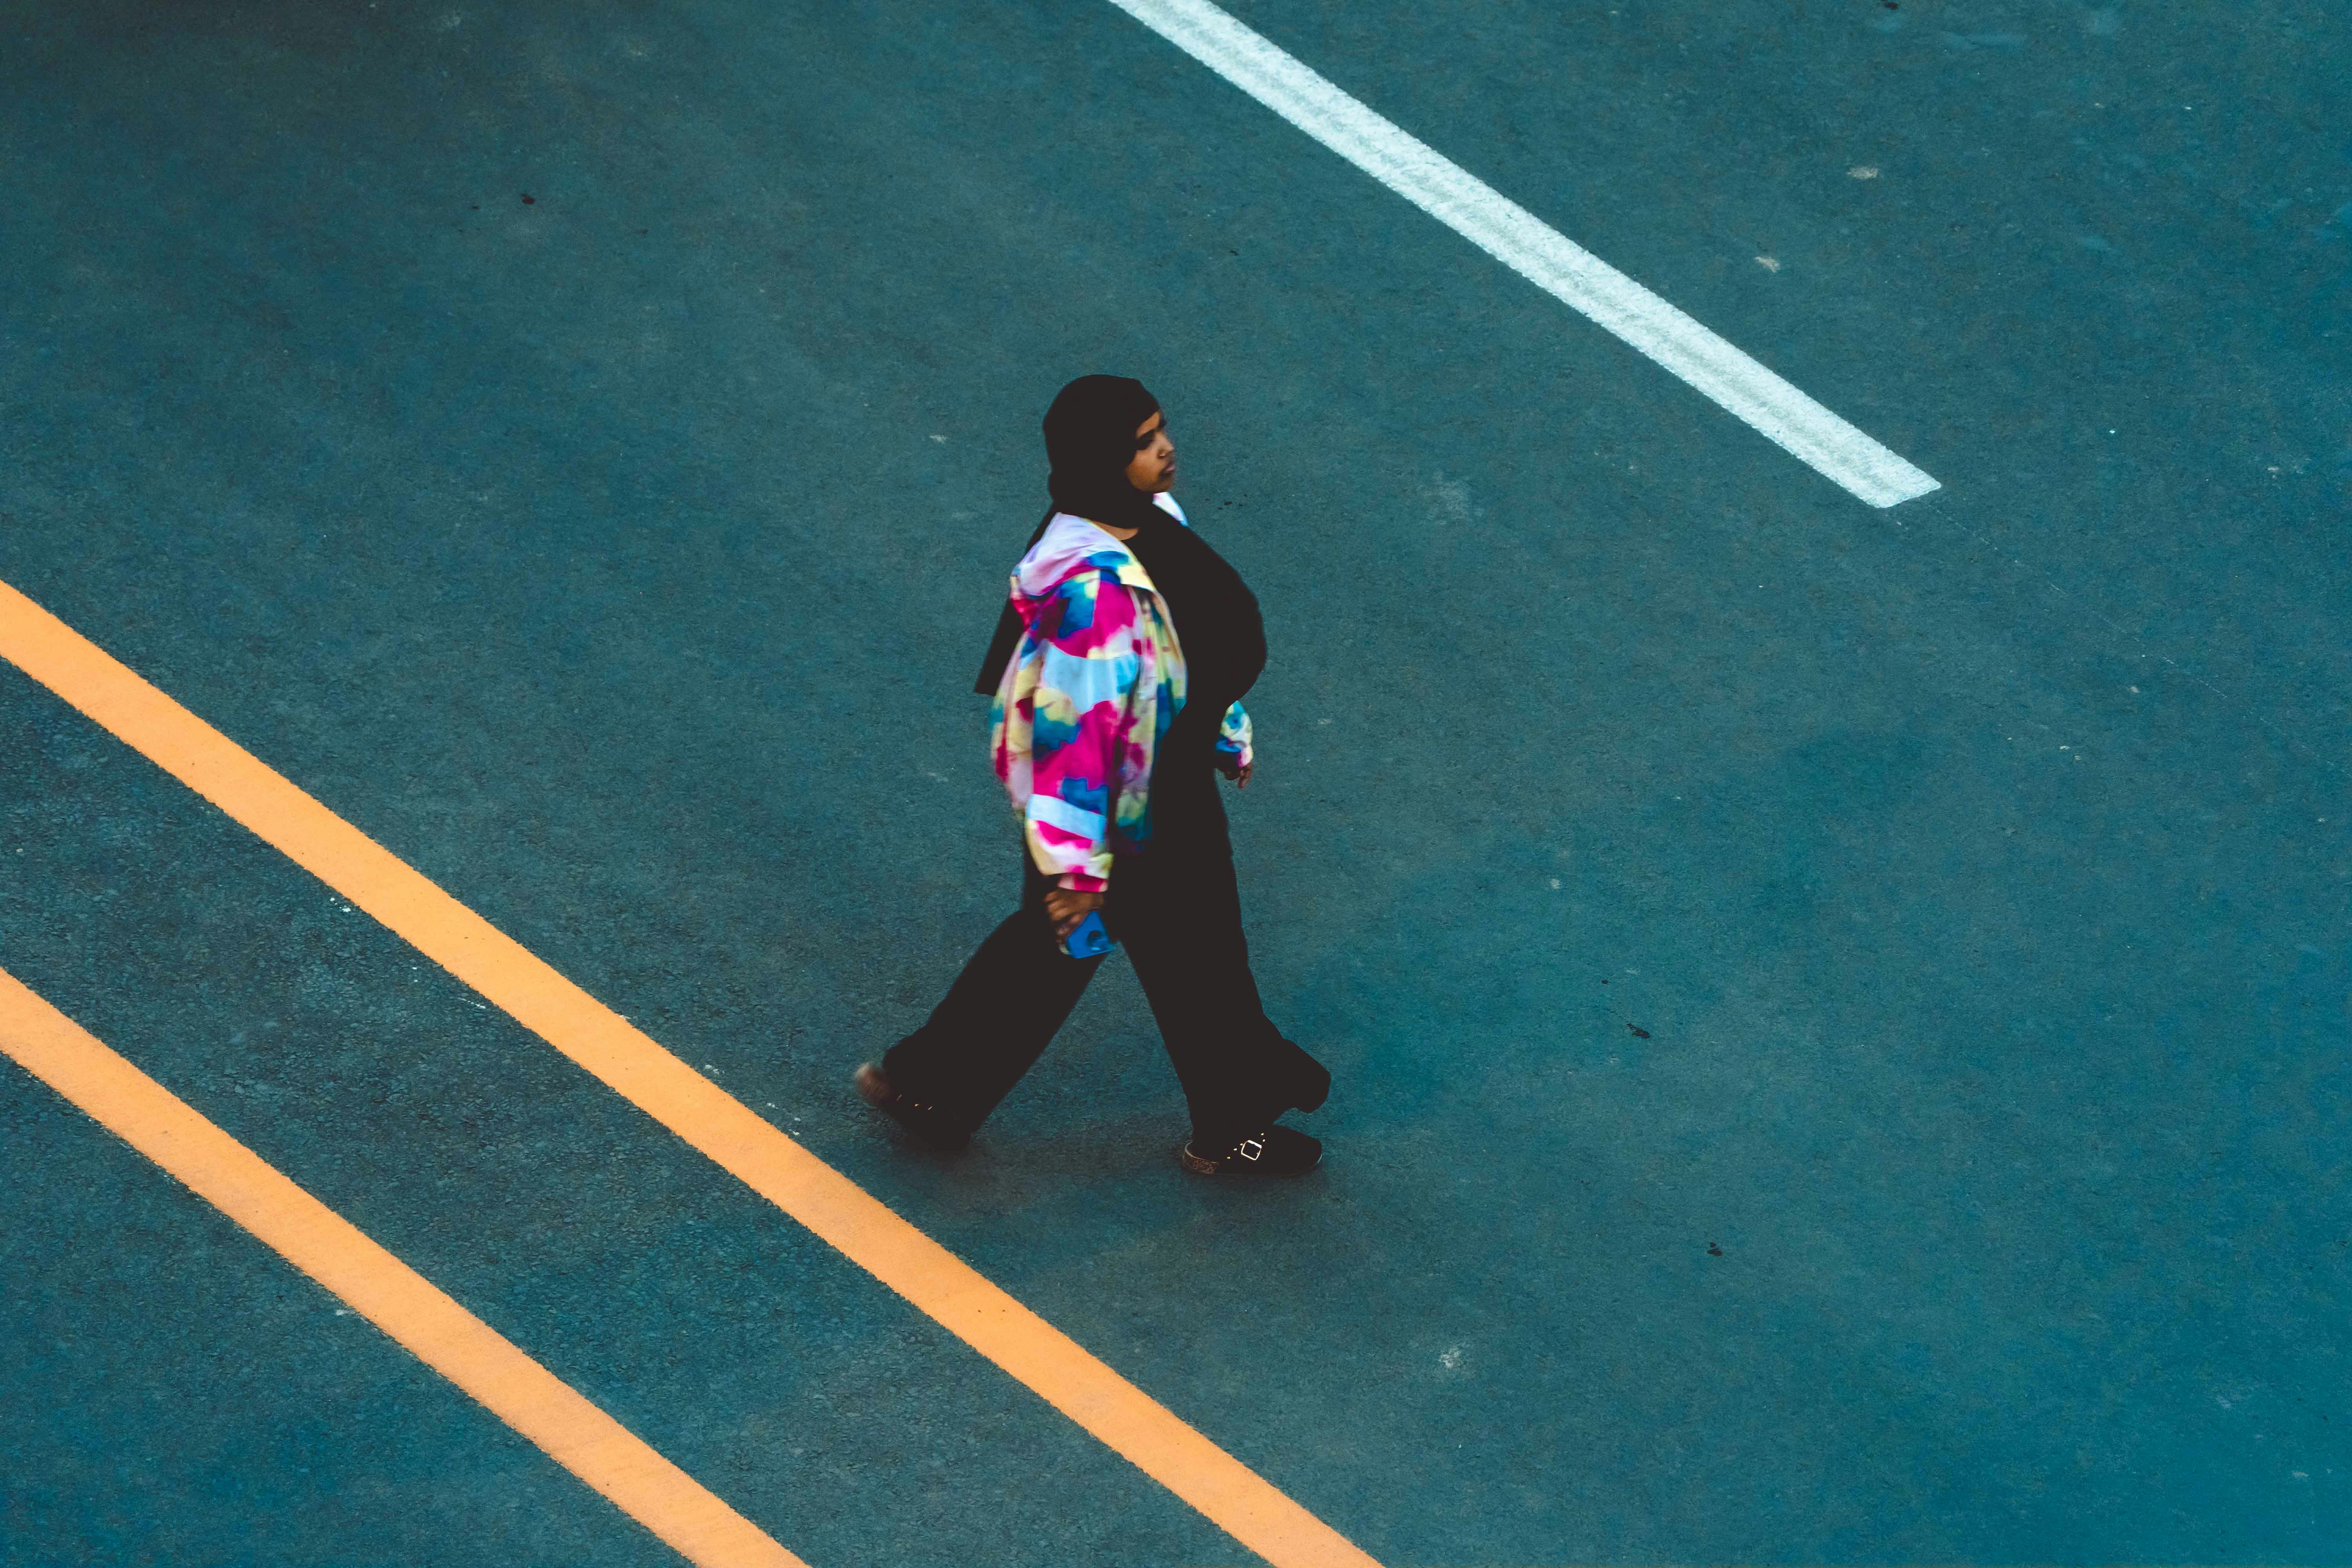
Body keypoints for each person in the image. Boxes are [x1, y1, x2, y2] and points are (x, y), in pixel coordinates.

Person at [854, 374, 1330, 1176]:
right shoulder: (1092, 593)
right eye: (1144, 443)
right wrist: (1075, 864)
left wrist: (1221, 728)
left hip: (1160, 768)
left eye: (1160, 430)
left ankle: (932, 1083)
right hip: (1124, 797)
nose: (1166, 448)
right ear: (1106, 461)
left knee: (1135, 950)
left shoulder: (1144, 522)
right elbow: (1074, 735)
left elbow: (1178, 656)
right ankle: (1226, 1126)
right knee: (1157, 948)